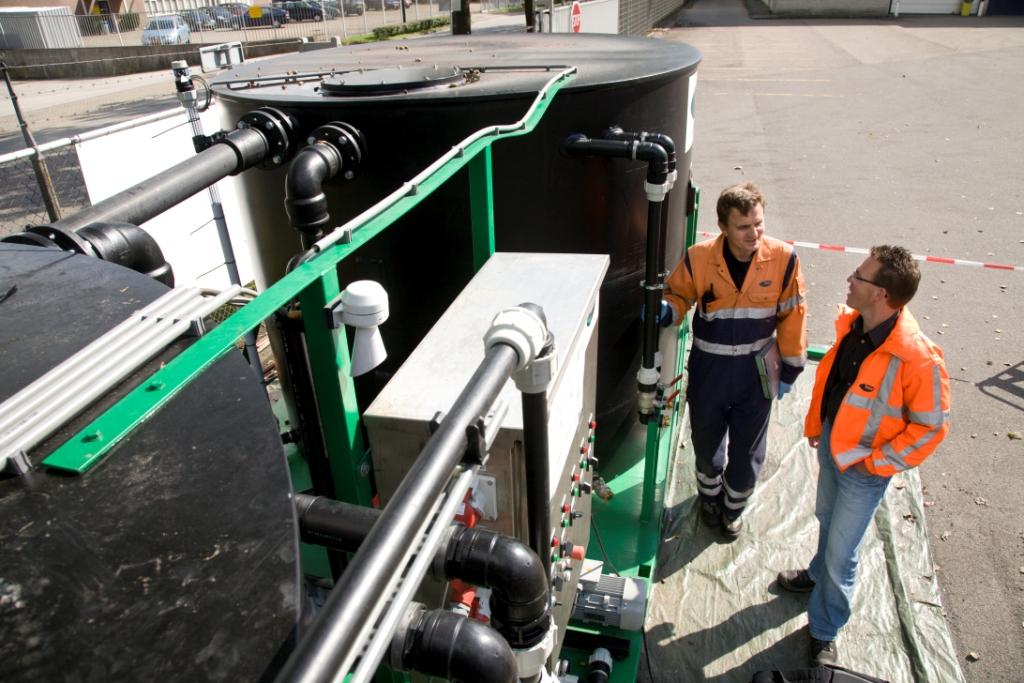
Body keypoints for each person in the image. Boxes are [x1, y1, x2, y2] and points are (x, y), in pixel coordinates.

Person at [776, 245, 951, 667]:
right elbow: (835, 384)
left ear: (882, 295)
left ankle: (824, 629)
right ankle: (816, 574)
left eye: (859, 276)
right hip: (836, 445)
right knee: (824, 517)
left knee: (843, 551)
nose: (849, 280)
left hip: (865, 468)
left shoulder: (918, 357)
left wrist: (877, 463)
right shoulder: (855, 326)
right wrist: (821, 428)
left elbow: (931, 426)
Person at [658, 182, 807, 539]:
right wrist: (669, 310)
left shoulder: (784, 259)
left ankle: (732, 508)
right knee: (707, 446)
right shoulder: (699, 258)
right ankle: (709, 499)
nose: (754, 233)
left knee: (747, 453)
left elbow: (793, 314)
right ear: (723, 227)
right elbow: (678, 294)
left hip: (756, 376)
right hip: (710, 371)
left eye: (759, 223)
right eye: (743, 227)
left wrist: (791, 367)